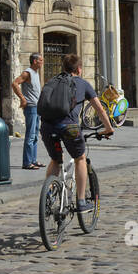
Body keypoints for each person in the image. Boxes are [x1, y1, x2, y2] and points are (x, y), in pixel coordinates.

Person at [40, 53, 113, 213]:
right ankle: (81, 202)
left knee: (55, 159)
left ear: (64, 68)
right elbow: (99, 109)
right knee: (80, 158)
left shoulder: (52, 81)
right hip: (69, 127)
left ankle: (48, 197)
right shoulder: (83, 84)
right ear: (79, 69)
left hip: (46, 127)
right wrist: (108, 128)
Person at [11, 53, 43, 170]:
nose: (42, 62)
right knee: (30, 135)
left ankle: (33, 160)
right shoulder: (27, 73)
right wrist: (22, 98)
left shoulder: (35, 73)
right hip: (31, 108)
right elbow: (14, 83)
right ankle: (27, 162)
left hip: (37, 107)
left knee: (35, 136)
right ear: (34, 61)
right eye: (40, 60)